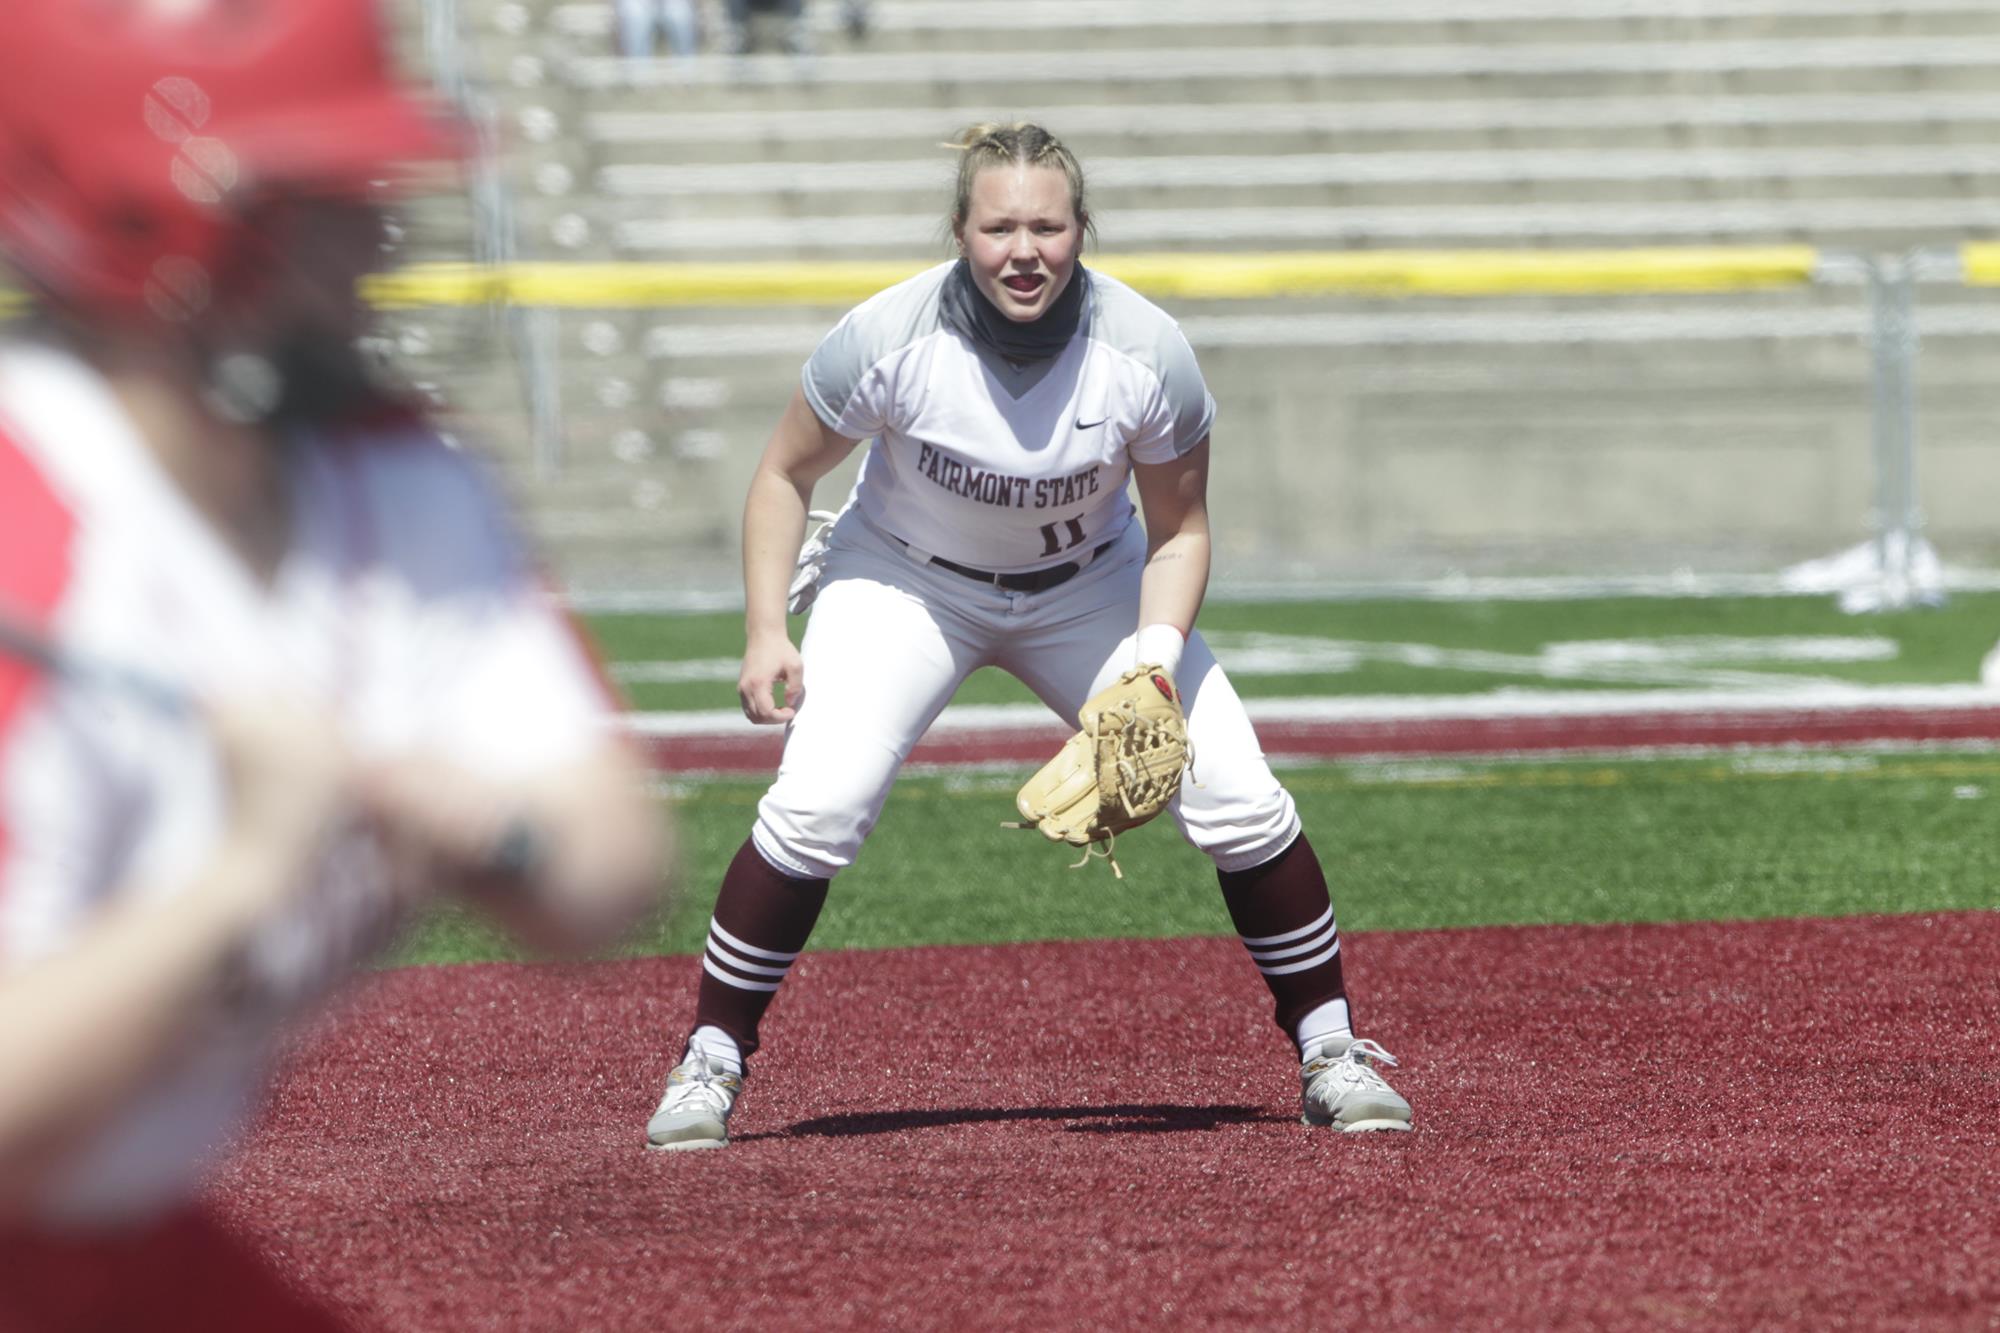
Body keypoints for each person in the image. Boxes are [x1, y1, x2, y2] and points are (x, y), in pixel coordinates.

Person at [0, 0, 669, 1324]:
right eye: (310, 205)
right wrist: (241, 875)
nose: (370, 244)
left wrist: (493, 832)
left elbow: (611, 872)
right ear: (136, 222)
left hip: (122, 1243)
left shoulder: (390, 475)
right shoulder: (33, 533)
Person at [644, 122, 1411, 1152]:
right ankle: (709, 1059)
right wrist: (763, 629)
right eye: (998, 227)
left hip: (1086, 585)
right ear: (960, 230)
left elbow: (1179, 531)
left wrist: (1152, 662)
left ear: (1080, 229)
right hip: (904, 580)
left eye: (1046, 228)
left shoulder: (1145, 351)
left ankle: (1331, 1051)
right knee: (816, 806)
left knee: (1238, 795)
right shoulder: (887, 336)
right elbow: (784, 473)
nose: (1023, 251)